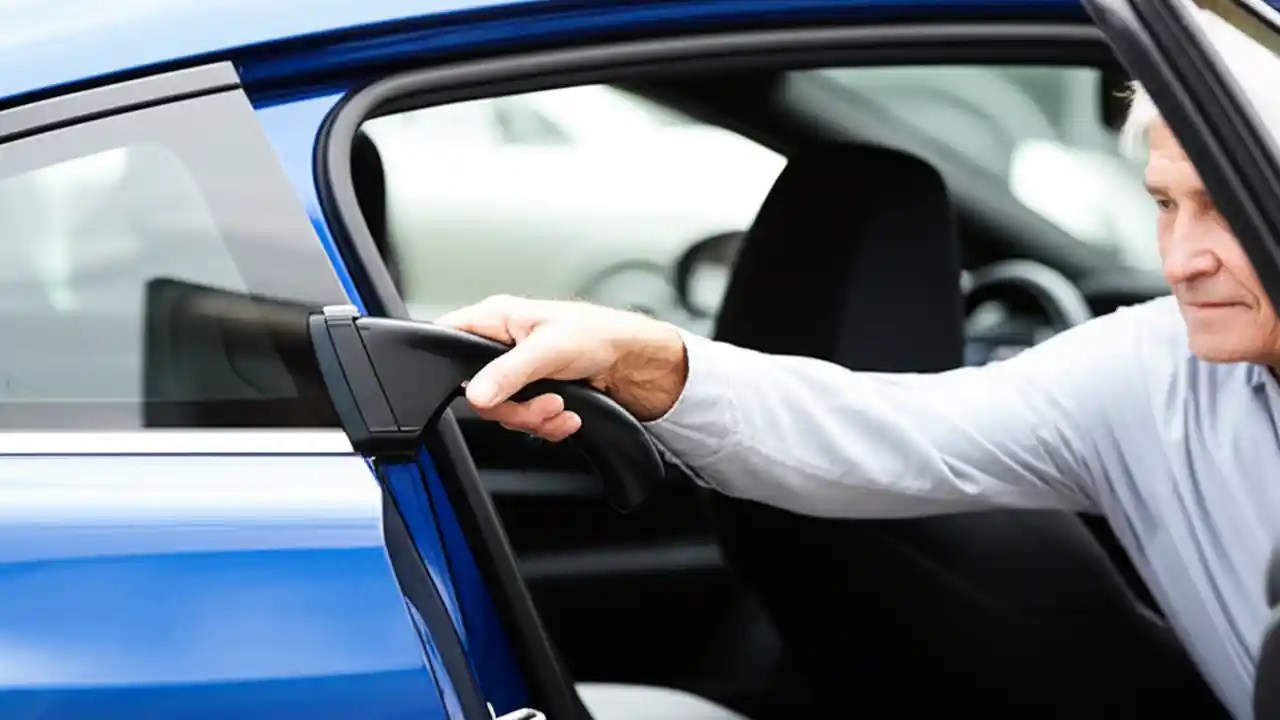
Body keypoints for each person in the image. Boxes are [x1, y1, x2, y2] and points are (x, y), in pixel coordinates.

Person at [436, 7, 1280, 719]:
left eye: (1224, 208)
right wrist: (638, 358)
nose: (1181, 259)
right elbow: (884, 433)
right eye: (1166, 204)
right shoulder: (1149, 368)